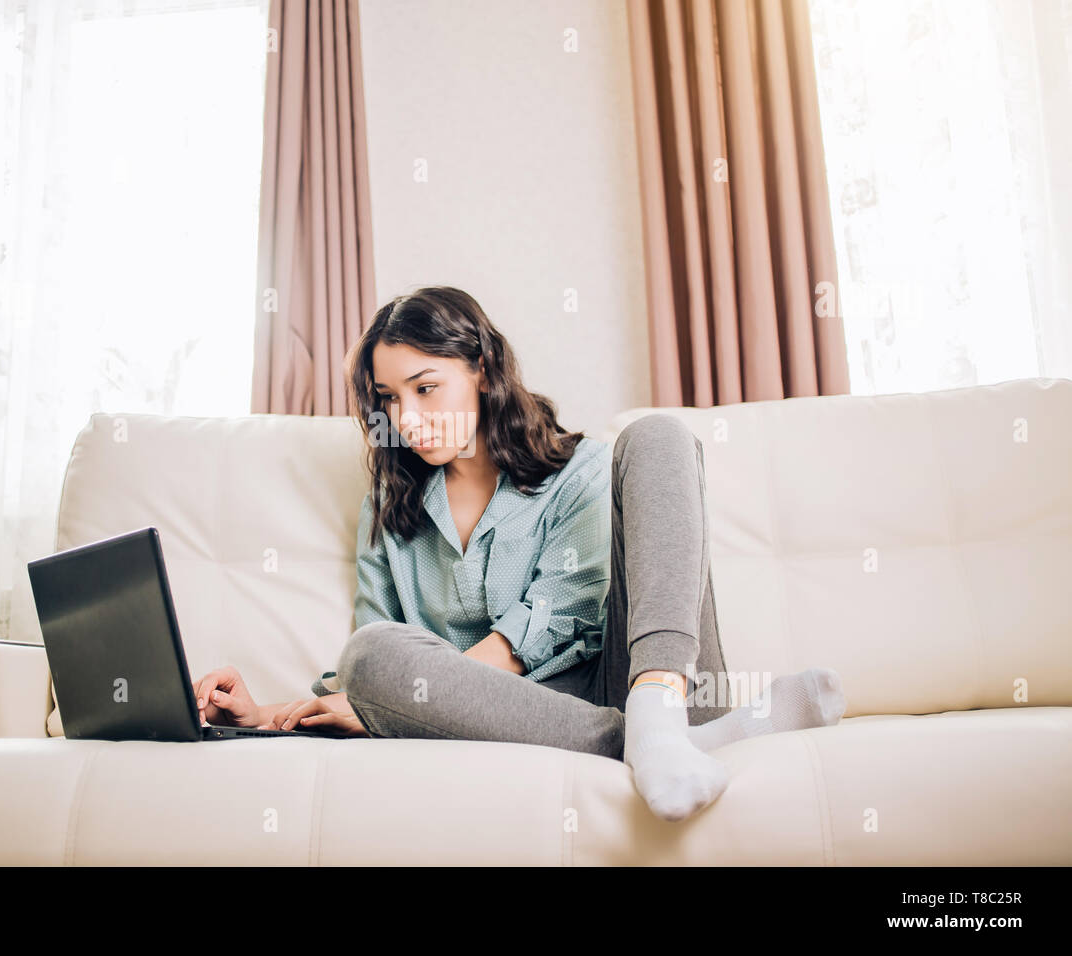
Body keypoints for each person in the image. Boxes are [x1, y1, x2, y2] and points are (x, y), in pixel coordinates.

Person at [193, 286, 845, 822]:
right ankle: (665, 744)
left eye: (425, 388)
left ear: (480, 371)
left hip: (630, 676)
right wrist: (267, 716)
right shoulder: (391, 506)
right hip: (504, 719)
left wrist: (396, 706)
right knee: (370, 659)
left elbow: (556, 621)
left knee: (657, 437)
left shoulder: (580, 470)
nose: (408, 420)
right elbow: (373, 650)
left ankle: (661, 717)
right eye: (389, 399)